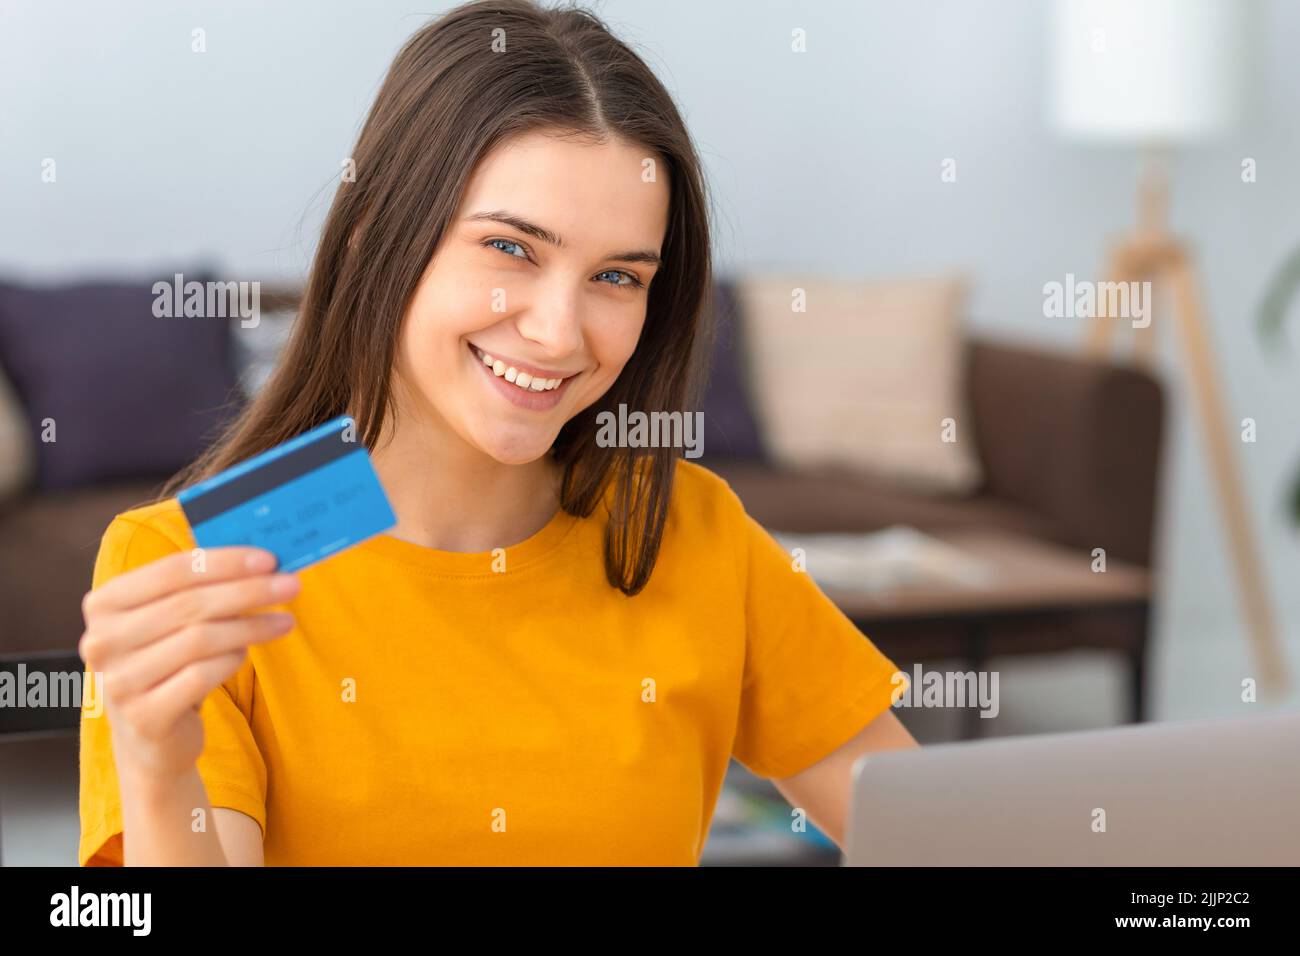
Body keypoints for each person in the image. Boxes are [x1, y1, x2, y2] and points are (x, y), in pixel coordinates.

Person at [77, 0, 917, 867]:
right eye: (511, 249)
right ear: (377, 240)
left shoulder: (686, 529)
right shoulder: (196, 556)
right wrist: (155, 772)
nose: (560, 332)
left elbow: (938, 836)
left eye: (616, 276)